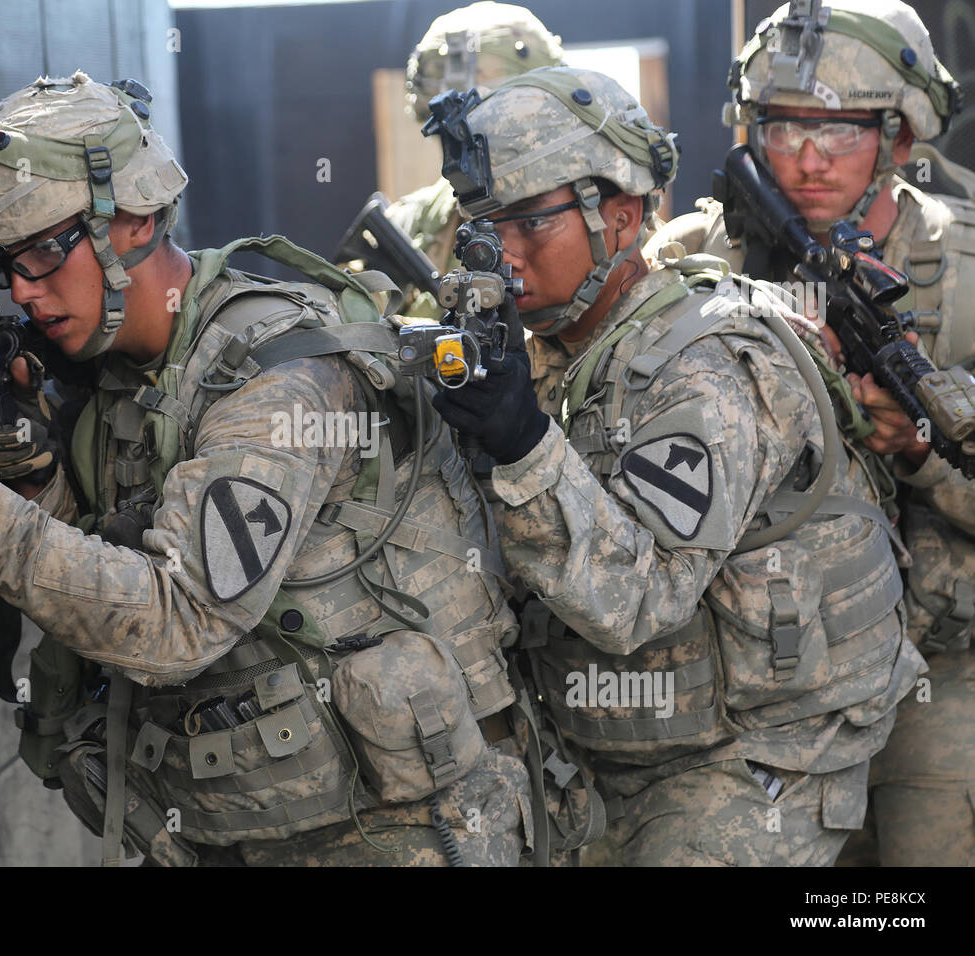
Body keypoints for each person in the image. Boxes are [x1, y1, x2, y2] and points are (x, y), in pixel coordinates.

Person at [0, 71, 529, 866]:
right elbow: (116, 563)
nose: (25, 291)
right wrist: (37, 484)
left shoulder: (275, 377)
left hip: (396, 831)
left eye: (43, 252)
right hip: (235, 823)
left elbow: (178, 622)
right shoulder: (121, 374)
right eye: (4, 266)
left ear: (135, 219)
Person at [429, 64, 925, 865]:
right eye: (482, 229)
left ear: (621, 216)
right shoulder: (550, 348)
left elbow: (636, 597)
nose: (502, 259)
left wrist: (520, 441)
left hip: (756, 754)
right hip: (605, 737)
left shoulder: (708, 361)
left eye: (528, 225)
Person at [647, 0, 975, 866]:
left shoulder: (964, 274)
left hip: (936, 670)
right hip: (750, 674)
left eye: (840, 130)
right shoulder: (688, 261)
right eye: (782, 126)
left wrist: (917, 450)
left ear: (900, 140)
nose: (807, 158)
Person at [383, 1, 565, 318]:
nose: (469, 148)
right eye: (452, 131)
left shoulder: (588, 214)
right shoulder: (405, 227)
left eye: (495, 126)